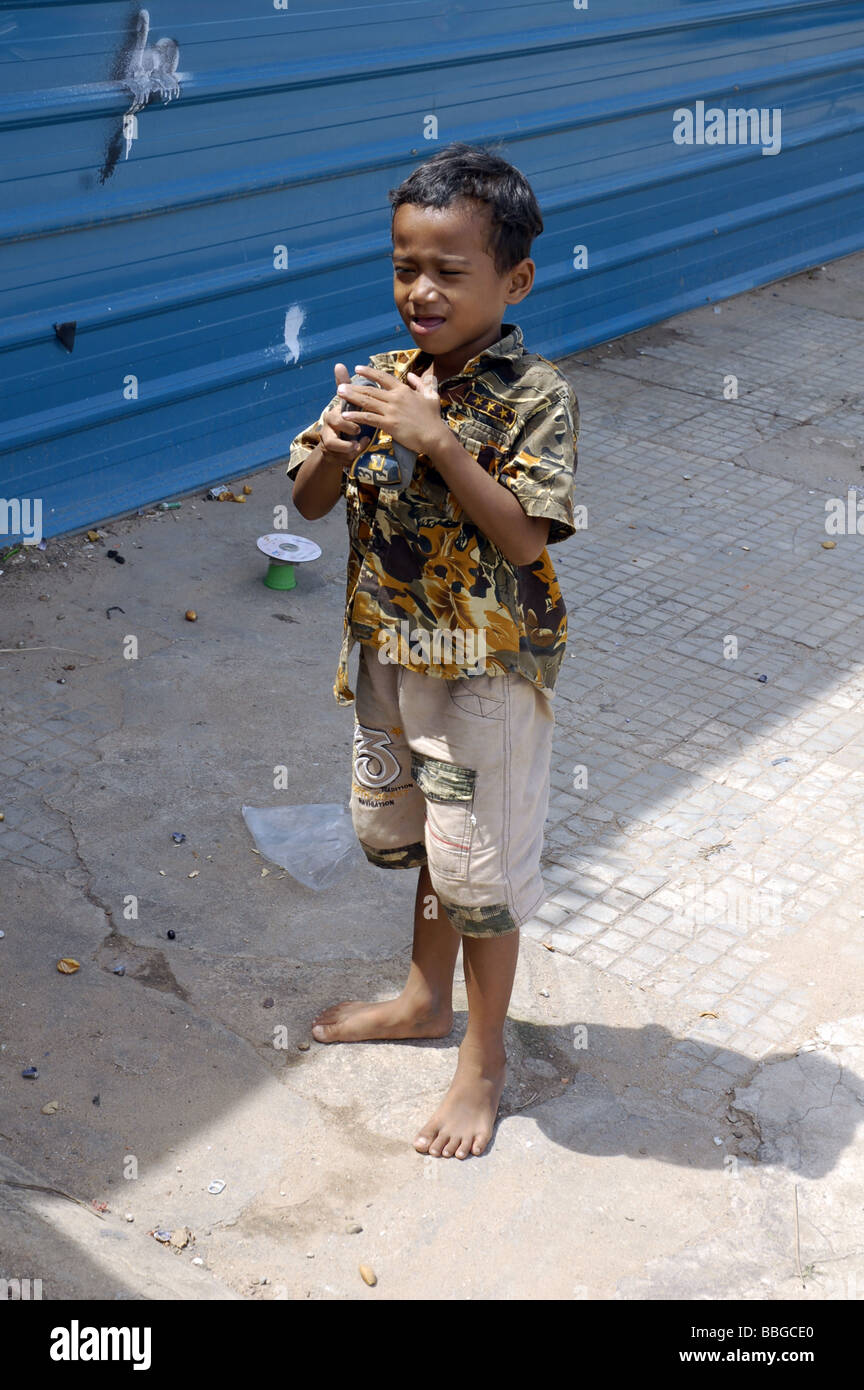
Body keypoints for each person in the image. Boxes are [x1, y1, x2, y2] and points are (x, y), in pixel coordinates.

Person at [286, 141, 579, 1159]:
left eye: (449, 271)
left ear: (514, 280)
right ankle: (422, 997)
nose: (420, 289)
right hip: (391, 660)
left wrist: (438, 437)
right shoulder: (385, 376)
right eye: (406, 265)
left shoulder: (535, 394)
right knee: (429, 844)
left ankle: (484, 1061)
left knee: (480, 871)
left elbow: (525, 535)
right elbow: (310, 502)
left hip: (483, 677)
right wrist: (333, 442)